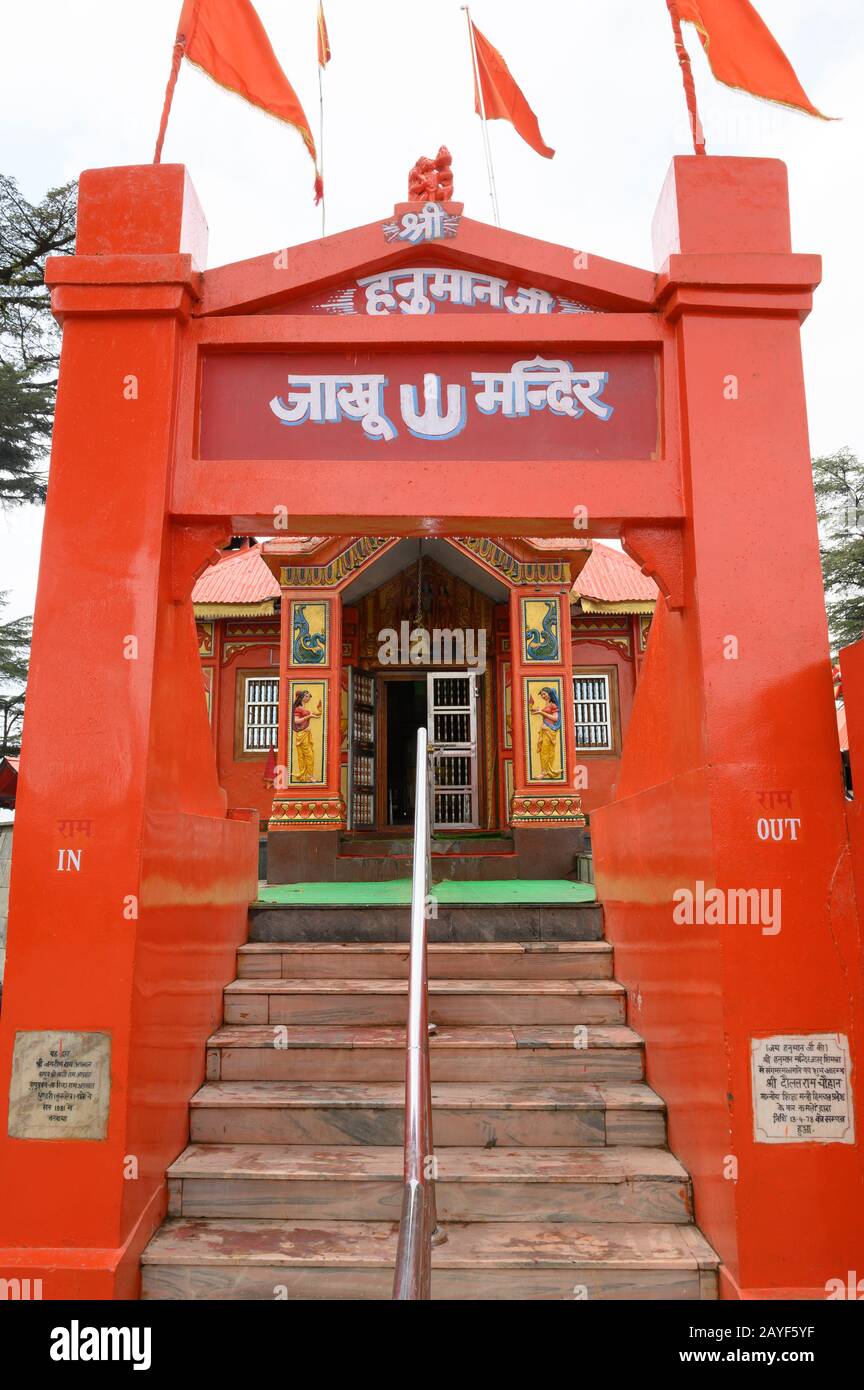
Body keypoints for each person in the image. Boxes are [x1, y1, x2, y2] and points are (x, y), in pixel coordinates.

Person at [529, 686, 562, 779]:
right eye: (542, 694)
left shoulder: (553, 704)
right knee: (543, 751)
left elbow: (555, 718)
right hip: (544, 730)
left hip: (549, 730)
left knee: (546, 751)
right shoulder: (547, 704)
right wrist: (534, 709)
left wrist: (541, 713)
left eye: (544, 694)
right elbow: (542, 712)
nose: (543, 696)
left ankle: (545, 772)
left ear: (549, 694)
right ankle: (546, 771)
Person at [292, 689, 322, 783]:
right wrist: (308, 717)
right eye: (307, 696)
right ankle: (309, 776)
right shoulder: (297, 709)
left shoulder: (304, 709)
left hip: (306, 734)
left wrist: (319, 709)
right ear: (302, 697)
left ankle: (306, 775)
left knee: (308, 755)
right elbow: (296, 721)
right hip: (302, 734)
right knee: (308, 755)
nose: (309, 698)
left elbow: (316, 715)